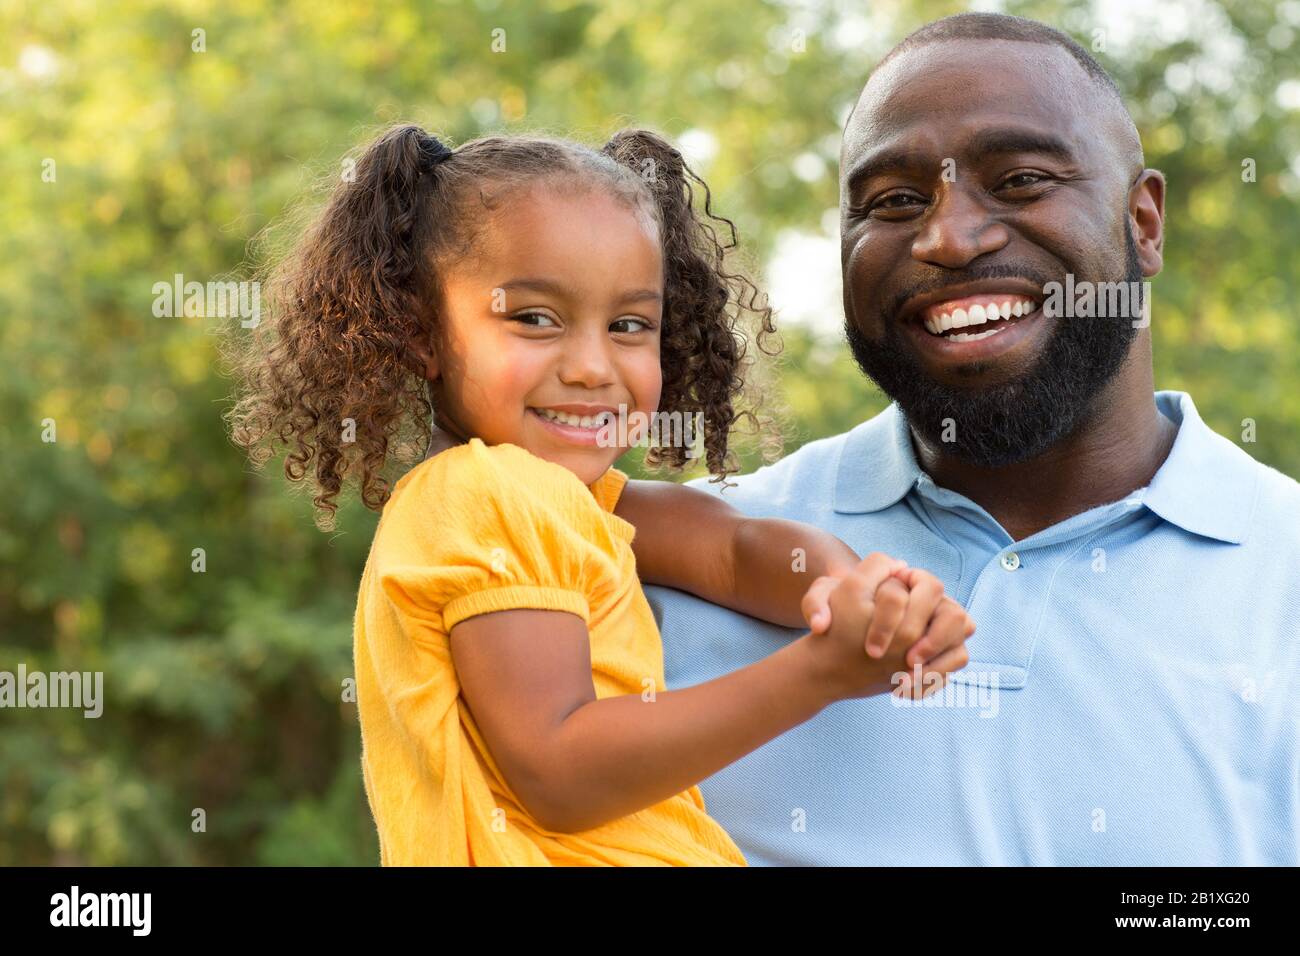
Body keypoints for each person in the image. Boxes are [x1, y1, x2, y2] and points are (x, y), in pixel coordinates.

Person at [647, 12, 1300, 866]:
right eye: (894, 201)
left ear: (1144, 222)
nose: (949, 237)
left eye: (1022, 179)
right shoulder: (661, 570)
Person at [224, 123, 974, 865]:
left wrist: (859, 594)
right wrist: (821, 671)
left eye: (627, 324)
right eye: (533, 318)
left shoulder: (564, 500)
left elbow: (735, 550)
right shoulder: (484, 495)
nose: (591, 366)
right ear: (420, 331)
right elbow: (560, 771)